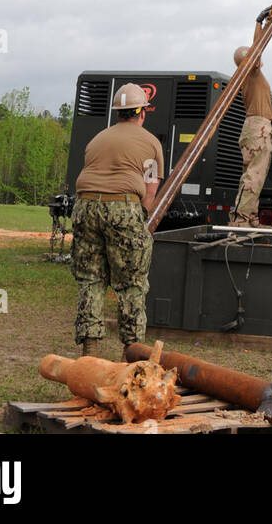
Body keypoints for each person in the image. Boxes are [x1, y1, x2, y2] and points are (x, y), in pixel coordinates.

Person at [71, 83, 164, 356]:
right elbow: (150, 188)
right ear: (142, 113)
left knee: (90, 278)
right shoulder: (150, 142)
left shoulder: (97, 139)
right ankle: (132, 353)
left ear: (117, 113)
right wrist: (141, 221)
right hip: (123, 208)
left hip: (85, 206)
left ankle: (90, 350)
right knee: (131, 283)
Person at [229, 46, 272, 227]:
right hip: (258, 128)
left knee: (254, 175)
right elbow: (259, 45)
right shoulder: (251, 73)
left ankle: (249, 218)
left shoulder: (249, 76)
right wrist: (260, 24)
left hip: (256, 128)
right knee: (254, 176)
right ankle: (240, 219)